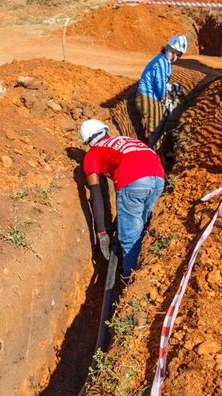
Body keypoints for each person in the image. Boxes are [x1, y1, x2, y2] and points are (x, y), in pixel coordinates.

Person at [79, 118, 165, 279]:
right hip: (158, 177)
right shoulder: (126, 140)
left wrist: (101, 233)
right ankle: (141, 266)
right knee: (142, 224)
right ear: (106, 132)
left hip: (133, 181)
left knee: (129, 237)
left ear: (88, 142)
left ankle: (129, 279)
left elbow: (96, 194)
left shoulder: (93, 152)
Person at [136, 34, 188, 148]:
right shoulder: (161, 62)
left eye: (178, 55)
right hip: (147, 97)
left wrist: (169, 87)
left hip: (152, 96)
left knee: (159, 124)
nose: (174, 57)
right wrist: (165, 100)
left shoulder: (165, 62)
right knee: (156, 129)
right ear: (167, 48)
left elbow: (162, 82)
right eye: (173, 52)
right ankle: (153, 154)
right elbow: (159, 84)